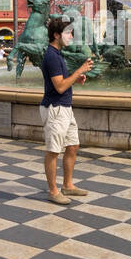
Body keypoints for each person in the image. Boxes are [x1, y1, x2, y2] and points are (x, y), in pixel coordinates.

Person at [40, 17, 93, 205]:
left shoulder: (58, 53)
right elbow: (60, 86)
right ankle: (53, 191)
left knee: (72, 146)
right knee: (53, 151)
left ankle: (68, 185)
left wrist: (75, 78)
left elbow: (62, 81)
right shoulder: (52, 56)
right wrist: (79, 71)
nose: (71, 36)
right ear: (56, 35)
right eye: (67, 33)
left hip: (65, 108)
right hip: (55, 108)